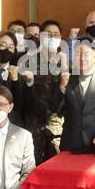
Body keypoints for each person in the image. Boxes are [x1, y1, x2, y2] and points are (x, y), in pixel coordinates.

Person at [19, 20, 69, 163]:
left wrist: (62, 87)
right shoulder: (28, 61)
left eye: (56, 34)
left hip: (57, 128)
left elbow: (67, 99)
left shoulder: (65, 63)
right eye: (48, 34)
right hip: (33, 125)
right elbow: (23, 96)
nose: (52, 38)